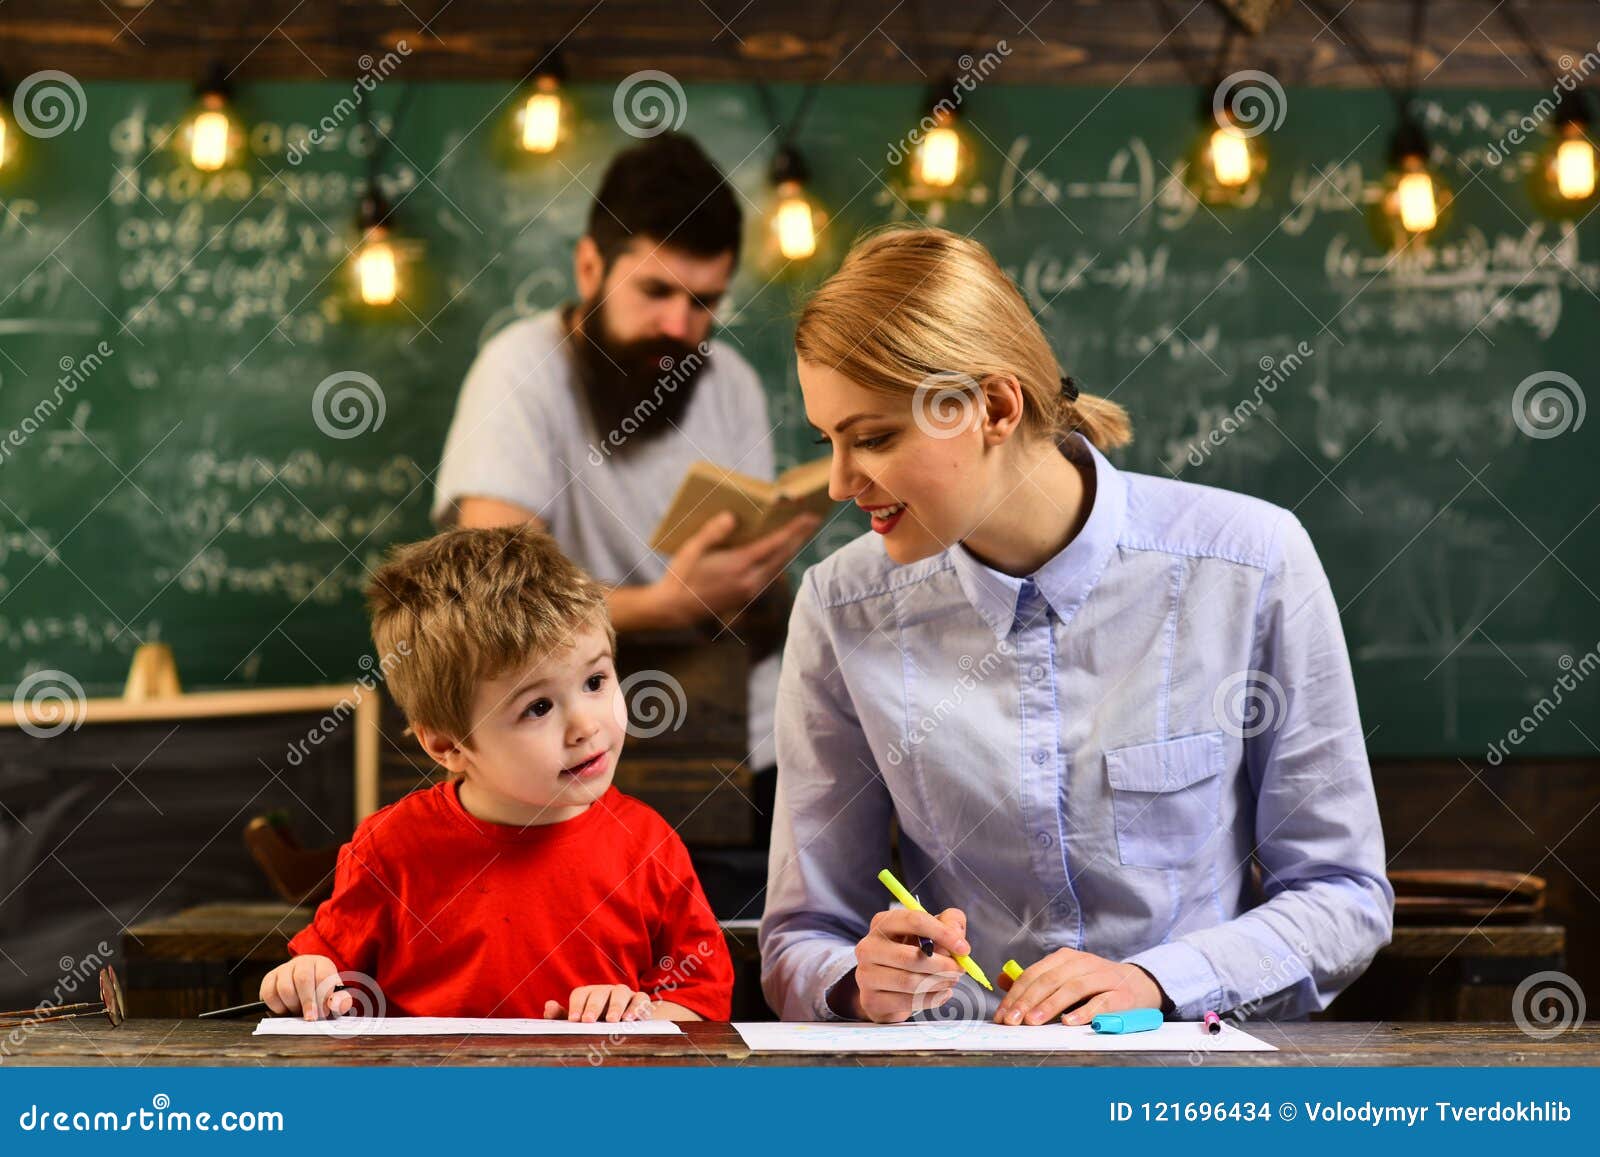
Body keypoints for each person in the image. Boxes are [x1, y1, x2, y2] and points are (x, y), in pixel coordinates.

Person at [760, 227, 1393, 1026]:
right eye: (830, 442)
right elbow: (803, 935)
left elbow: (1344, 895)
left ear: (993, 406)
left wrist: (1157, 982)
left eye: (875, 438)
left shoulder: (1252, 565)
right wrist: (857, 980)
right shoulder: (840, 604)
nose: (841, 482)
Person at [432, 132, 817, 797]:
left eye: (704, 303)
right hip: (576, 753)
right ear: (589, 269)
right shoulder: (519, 369)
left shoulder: (732, 382)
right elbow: (493, 594)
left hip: (748, 737)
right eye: (656, 291)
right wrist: (668, 605)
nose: (679, 325)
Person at [261, 526, 733, 1022]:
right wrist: (306, 978)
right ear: (448, 745)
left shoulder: (647, 846)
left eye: (595, 681)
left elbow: (699, 1001)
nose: (586, 726)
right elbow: (328, 978)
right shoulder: (389, 849)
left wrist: (639, 1016)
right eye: (538, 708)